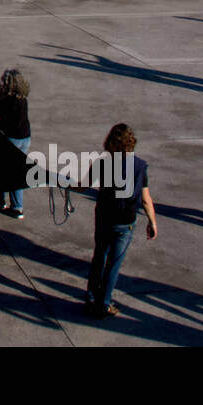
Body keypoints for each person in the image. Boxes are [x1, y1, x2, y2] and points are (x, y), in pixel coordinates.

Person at [84, 123, 157, 319]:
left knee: (99, 256)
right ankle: (104, 303)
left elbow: (83, 186)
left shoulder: (103, 163)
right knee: (113, 264)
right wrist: (152, 222)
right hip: (125, 222)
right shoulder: (140, 166)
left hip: (104, 218)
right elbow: (146, 199)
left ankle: (91, 297)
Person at [0, 69, 30, 216]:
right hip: (24, 138)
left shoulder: (11, 101)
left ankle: (3, 202)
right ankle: (14, 205)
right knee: (14, 172)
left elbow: (9, 122)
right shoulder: (22, 99)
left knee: (2, 171)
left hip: (13, 139)